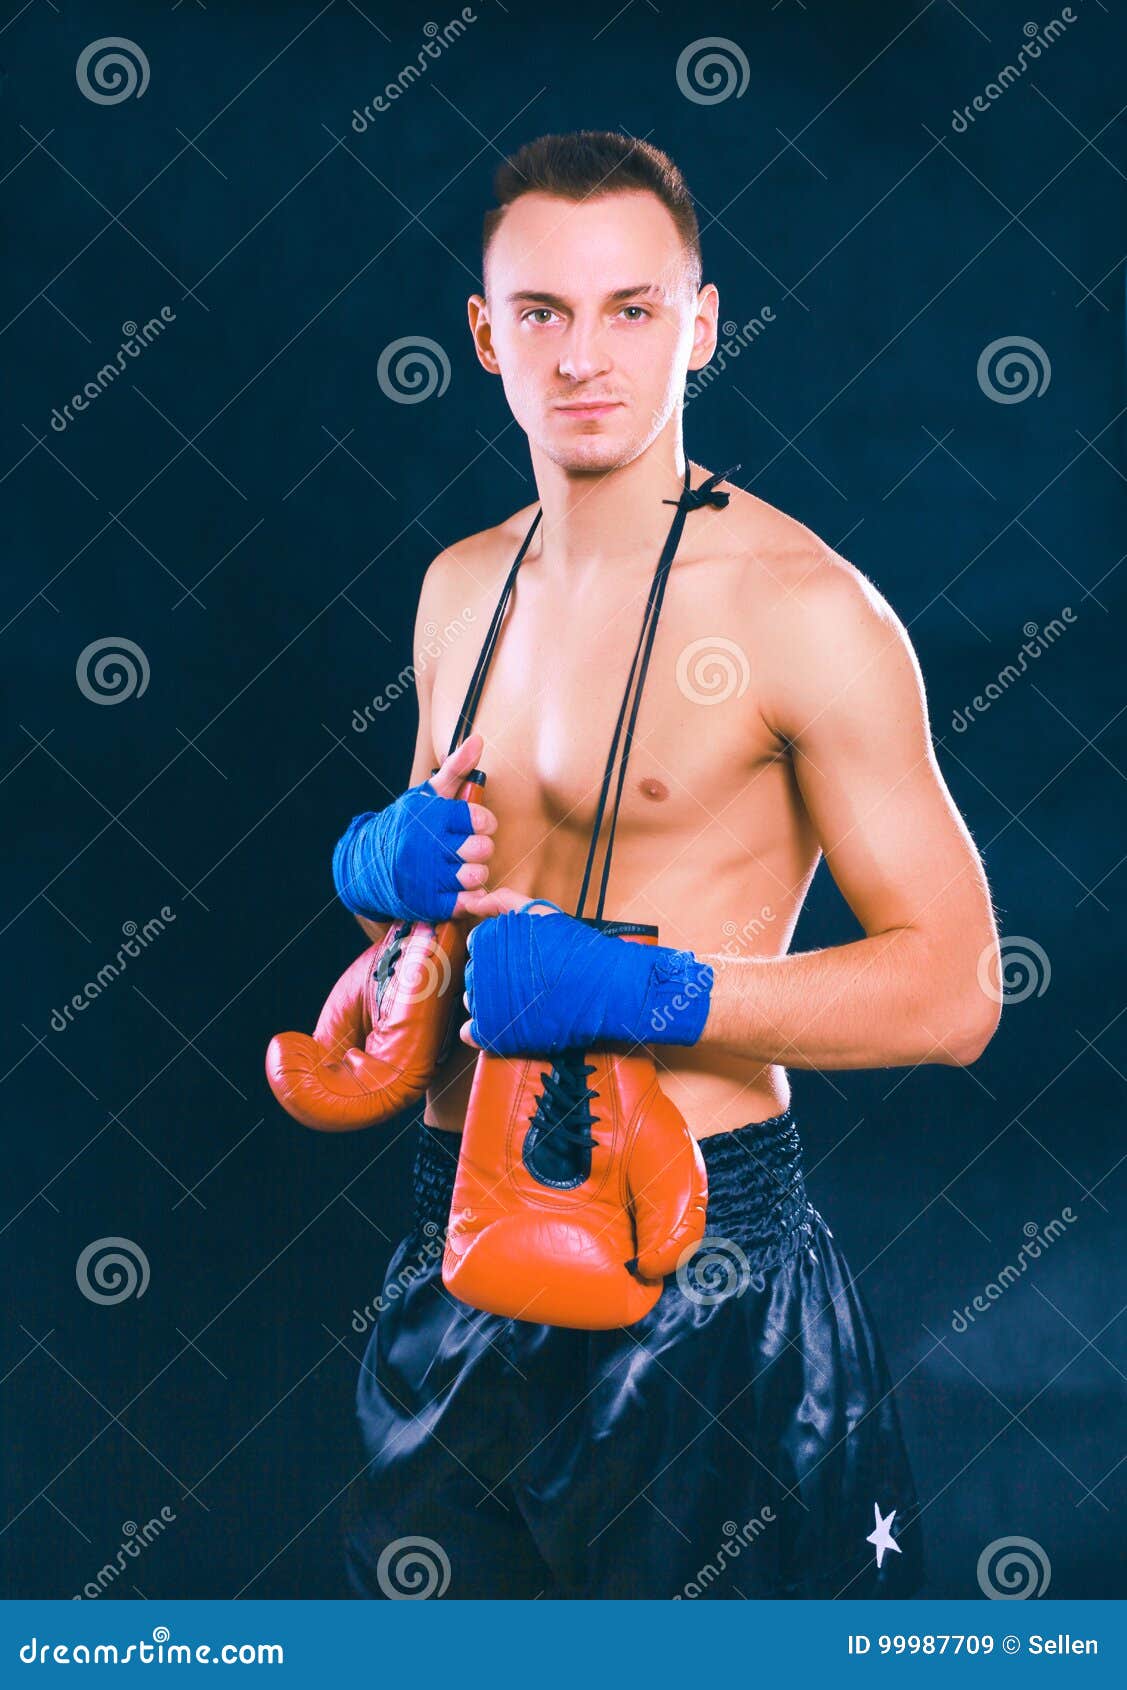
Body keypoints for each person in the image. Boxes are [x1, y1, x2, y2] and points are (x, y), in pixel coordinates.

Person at [337, 130, 1001, 1600]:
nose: (587, 357)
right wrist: (391, 916)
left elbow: (956, 989)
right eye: (544, 314)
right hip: (458, 1253)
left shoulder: (801, 608)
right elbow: (450, 947)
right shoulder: (461, 587)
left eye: (633, 309)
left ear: (699, 324)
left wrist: (643, 987)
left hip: (702, 1283)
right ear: (483, 335)